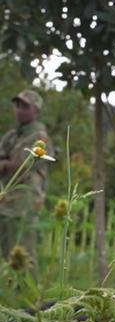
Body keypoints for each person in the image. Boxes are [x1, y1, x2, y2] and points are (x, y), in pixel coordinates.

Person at [0, 89, 53, 258]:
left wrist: (4, 165)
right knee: (7, 253)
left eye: (25, 106)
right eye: (17, 106)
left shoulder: (39, 137)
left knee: (23, 254)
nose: (19, 110)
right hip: (6, 201)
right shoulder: (13, 135)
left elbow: (22, 164)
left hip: (25, 204)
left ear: (36, 110)